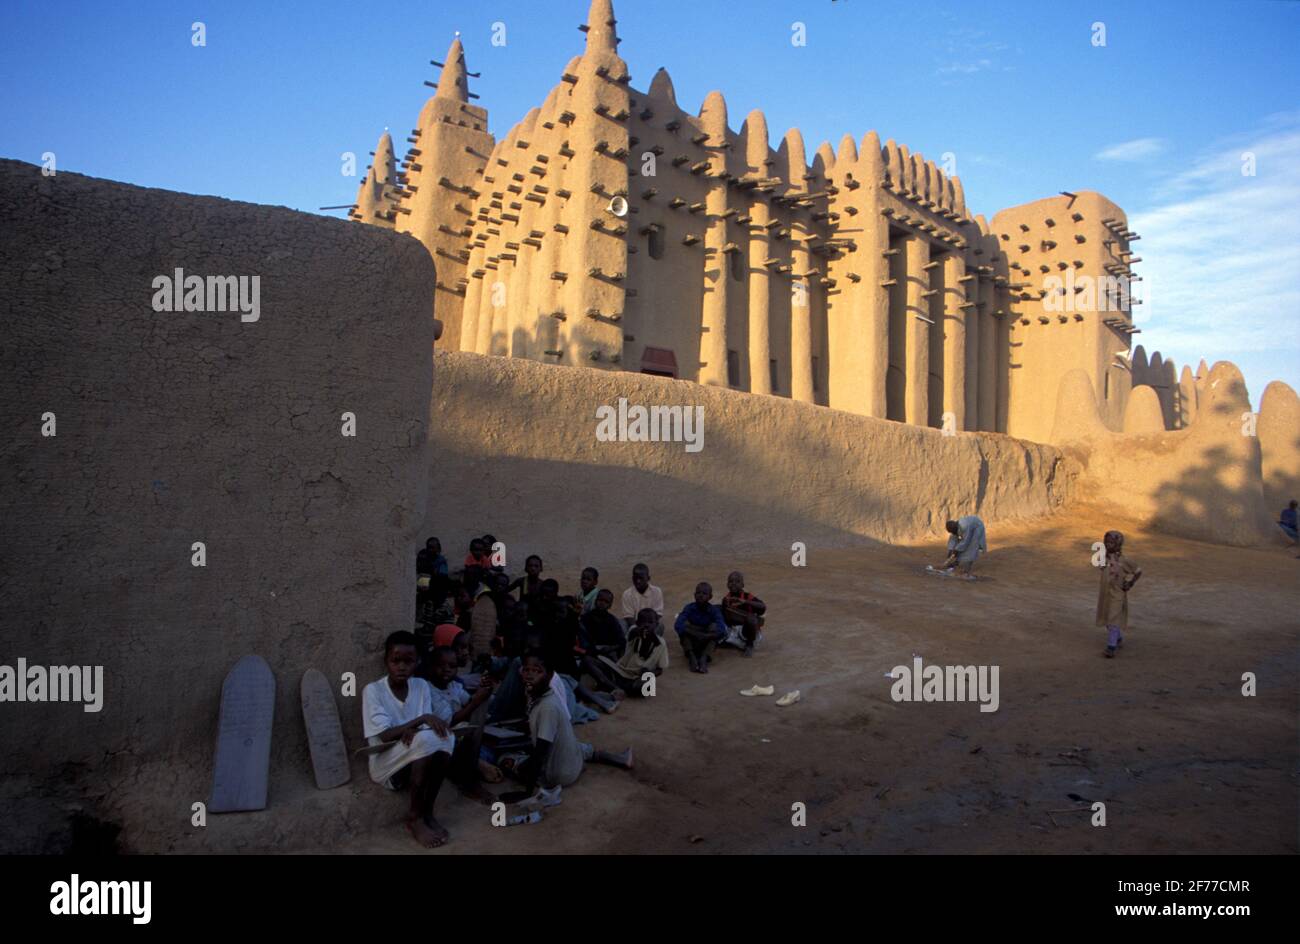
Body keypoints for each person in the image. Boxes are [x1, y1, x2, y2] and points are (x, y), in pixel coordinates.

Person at [361, 630, 457, 848]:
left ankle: (427, 811)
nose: (401, 667)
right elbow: (384, 734)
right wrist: (419, 721)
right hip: (387, 766)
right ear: (386, 661)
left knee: (447, 738)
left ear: (417, 662)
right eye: (396, 661)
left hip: (415, 759)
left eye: (408, 661)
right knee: (424, 740)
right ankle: (414, 818)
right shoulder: (373, 690)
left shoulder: (420, 686)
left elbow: (423, 730)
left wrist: (415, 728)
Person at [505, 650, 633, 810]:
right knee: (573, 745)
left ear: (549, 675)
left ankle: (575, 766)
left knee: (508, 758)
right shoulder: (542, 693)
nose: (530, 675)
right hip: (566, 763)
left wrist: (527, 792)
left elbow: (540, 752)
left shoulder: (548, 707)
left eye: (537, 671)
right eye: (526, 670)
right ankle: (603, 758)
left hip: (558, 775)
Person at [427, 646, 497, 802]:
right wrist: (476, 701)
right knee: (463, 752)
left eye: (452, 666)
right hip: (442, 738)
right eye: (441, 665)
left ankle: (475, 769)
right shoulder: (428, 690)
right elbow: (449, 720)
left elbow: (469, 702)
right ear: (431, 666)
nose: (447, 670)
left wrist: (484, 690)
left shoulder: (454, 686)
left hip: (462, 736)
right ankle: (469, 782)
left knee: (489, 751)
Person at [586, 607, 668, 698]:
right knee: (588, 660)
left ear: (656, 624)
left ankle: (612, 687)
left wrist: (649, 673)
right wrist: (641, 631)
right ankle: (615, 688)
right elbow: (634, 632)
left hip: (636, 678)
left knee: (645, 688)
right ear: (637, 623)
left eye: (650, 622)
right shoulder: (634, 632)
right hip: (619, 670)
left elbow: (660, 670)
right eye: (643, 622)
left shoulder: (661, 643)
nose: (646, 625)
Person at [1096, 530, 1142, 658]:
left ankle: (1111, 647)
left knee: (1113, 618)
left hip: (1117, 594)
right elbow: (1100, 567)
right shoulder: (1104, 557)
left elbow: (1138, 571)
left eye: (1111, 542)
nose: (1108, 545)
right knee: (1107, 617)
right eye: (1106, 542)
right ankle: (1117, 638)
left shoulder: (1125, 560)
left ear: (1118, 544)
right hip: (1105, 593)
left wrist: (1130, 583)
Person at [674, 582, 728, 673]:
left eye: (704, 593)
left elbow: (722, 629)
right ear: (694, 595)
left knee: (714, 627)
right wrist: (696, 634)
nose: (701, 595)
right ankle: (692, 657)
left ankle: (704, 658)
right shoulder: (689, 608)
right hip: (693, 639)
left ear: (710, 597)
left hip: (705, 641)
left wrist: (706, 636)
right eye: (698, 593)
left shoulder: (713, 610)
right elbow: (677, 625)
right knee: (684, 626)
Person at [721, 571, 767, 658]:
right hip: (734, 631)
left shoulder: (747, 596)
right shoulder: (726, 599)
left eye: (737, 581)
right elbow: (726, 617)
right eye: (731, 581)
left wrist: (746, 602)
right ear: (727, 585)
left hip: (748, 631)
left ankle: (749, 645)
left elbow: (763, 607)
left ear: (742, 585)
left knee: (751, 619)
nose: (733, 584)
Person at [621, 563, 665, 631]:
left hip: (650, 625)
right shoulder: (627, 594)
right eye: (635, 578)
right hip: (634, 626)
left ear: (648, 578)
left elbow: (658, 614)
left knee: (660, 625)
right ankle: (630, 641)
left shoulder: (657, 591)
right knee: (622, 624)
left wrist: (649, 626)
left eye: (641, 578)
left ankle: (652, 639)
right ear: (632, 578)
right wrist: (638, 629)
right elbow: (628, 616)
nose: (638, 581)